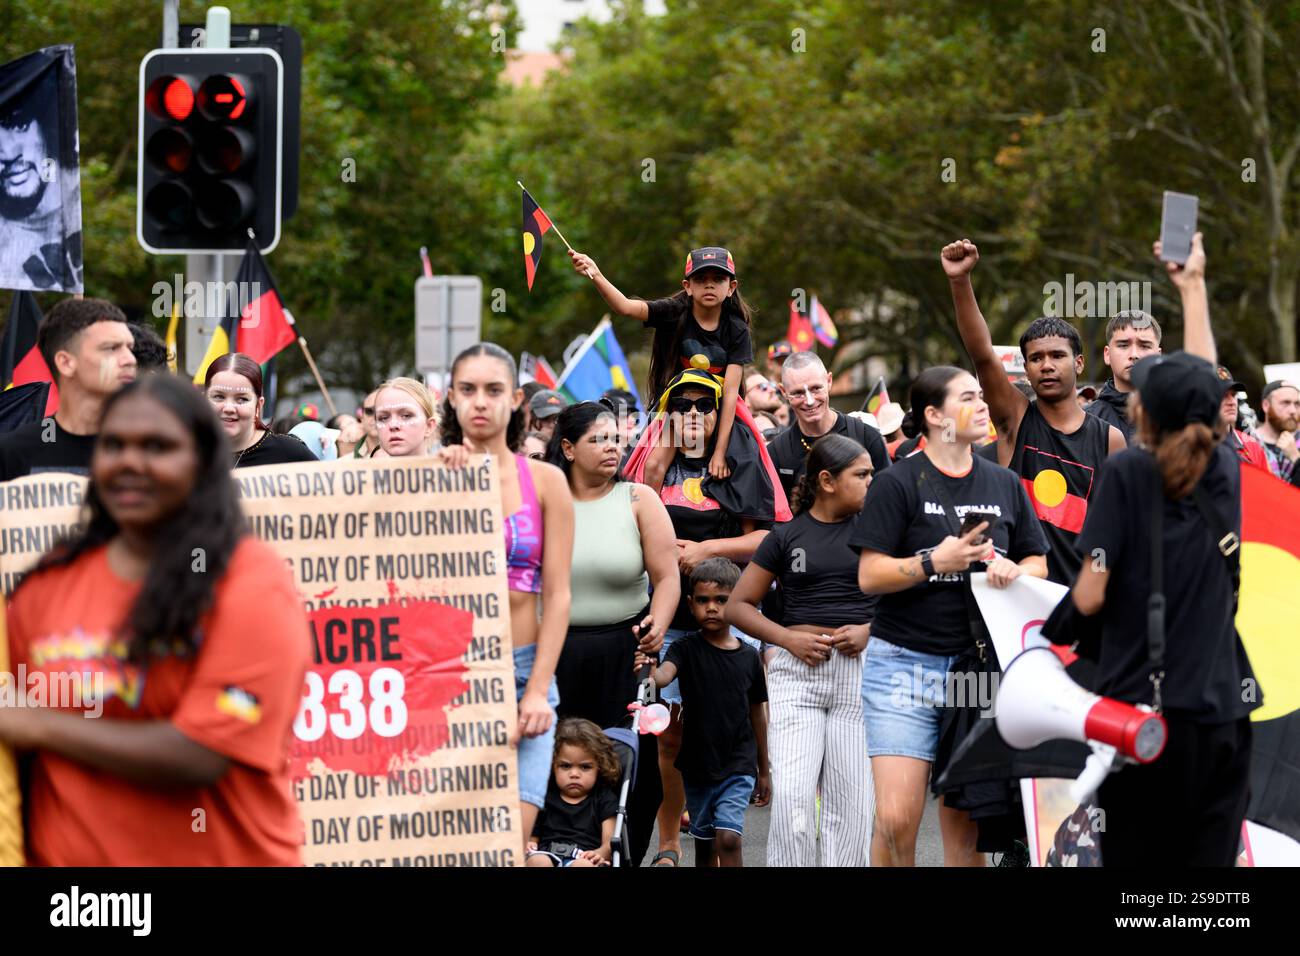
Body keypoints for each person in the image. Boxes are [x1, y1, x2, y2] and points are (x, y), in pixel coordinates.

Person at [0, 374, 309, 864]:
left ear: (202, 464)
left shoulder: (249, 581)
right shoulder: (46, 587)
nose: (131, 462)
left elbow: (203, 753)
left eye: (158, 446)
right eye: (114, 445)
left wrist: (37, 724)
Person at [1048, 232, 1256, 865]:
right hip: (1223, 708)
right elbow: (1202, 379)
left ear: (1140, 412)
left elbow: (1091, 588)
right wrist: (1191, 285)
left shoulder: (1127, 473)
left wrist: (1072, 615)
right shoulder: (1224, 467)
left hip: (1142, 713)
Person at [854, 366, 1049, 867]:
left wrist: (1013, 568)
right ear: (935, 416)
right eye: (969, 397)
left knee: (966, 831)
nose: (984, 405)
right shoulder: (897, 483)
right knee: (897, 818)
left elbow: (1037, 559)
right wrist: (931, 562)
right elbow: (870, 576)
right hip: (903, 666)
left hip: (978, 671)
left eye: (982, 396)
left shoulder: (1004, 482)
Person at [633, 369, 773, 866]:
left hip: (728, 616)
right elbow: (643, 496)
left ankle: (715, 836)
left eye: (703, 406)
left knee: (723, 726)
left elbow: (763, 540)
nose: (693, 414)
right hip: (671, 614)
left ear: (721, 414)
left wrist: (707, 549)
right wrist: (671, 439)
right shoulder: (660, 463)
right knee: (668, 735)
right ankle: (670, 842)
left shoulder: (741, 459)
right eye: (682, 406)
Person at [438, 342, 574, 851]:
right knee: (454, 845)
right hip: (449, 679)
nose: (480, 401)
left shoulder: (546, 482)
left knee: (510, 843)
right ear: (451, 398)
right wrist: (434, 479)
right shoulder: (430, 478)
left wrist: (538, 689)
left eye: (493, 390)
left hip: (524, 676)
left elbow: (559, 594)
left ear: (515, 400)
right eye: (468, 390)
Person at [728, 433, 876, 867]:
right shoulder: (785, 535)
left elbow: (908, 602)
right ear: (827, 481)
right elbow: (738, 606)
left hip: (858, 675)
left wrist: (870, 630)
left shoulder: (877, 533)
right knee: (792, 801)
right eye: (862, 474)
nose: (872, 481)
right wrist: (787, 638)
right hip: (796, 676)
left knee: (852, 808)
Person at [942, 238, 1125, 584]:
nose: (1047, 366)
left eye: (1057, 356)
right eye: (1036, 359)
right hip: (1011, 593)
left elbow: (1115, 529)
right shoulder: (1015, 419)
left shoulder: (1109, 439)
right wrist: (959, 281)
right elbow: (982, 354)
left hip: (1077, 601)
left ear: (1079, 363)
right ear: (1025, 369)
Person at [546, 401, 679, 865]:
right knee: (561, 767)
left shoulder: (640, 498)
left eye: (615, 438)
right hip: (555, 653)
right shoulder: (544, 501)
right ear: (567, 448)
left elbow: (667, 578)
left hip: (629, 652)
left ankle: (624, 858)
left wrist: (659, 623)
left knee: (633, 773)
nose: (612, 448)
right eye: (598, 439)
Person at [569, 245, 762, 495]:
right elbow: (626, 308)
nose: (710, 285)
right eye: (701, 279)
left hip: (720, 411)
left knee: (749, 465)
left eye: (718, 279)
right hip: (677, 410)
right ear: (687, 286)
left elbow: (730, 391)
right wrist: (595, 273)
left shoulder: (737, 329)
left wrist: (719, 452)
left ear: (731, 288)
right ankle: (648, 524)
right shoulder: (673, 311)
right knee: (653, 466)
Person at [636, 559, 770, 867]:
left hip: (738, 764)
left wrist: (763, 769)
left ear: (737, 603)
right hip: (696, 767)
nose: (712, 607)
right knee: (706, 844)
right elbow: (664, 677)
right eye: (703, 600)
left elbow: (757, 715)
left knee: (729, 838)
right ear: (690, 603)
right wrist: (650, 671)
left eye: (722, 600)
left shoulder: (749, 658)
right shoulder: (684, 649)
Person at [0, 298, 136, 481]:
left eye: (130, 348)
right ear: (66, 363)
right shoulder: (14, 452)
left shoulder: (152, 447)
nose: (130, 359)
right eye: (111, 348)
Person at [768, 351, 890, 501]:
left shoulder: (866, 436)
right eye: (798, 393)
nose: (810, 401)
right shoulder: (777, 452)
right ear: (783, 392)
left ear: (829, 381)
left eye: (816, 388)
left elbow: (888, 501)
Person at [525, 718, 621, 867]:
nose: (574, 774)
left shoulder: (604, 799)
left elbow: (609, 844)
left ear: (599, 767)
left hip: (585, 857)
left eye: (585, 767)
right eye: (565, 766)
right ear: (553, 765)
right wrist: (530, 844)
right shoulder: (545, 796)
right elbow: (534, 837)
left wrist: (600, 853)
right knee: (538, 861)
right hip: (547, 854)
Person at [203, 353, 318, 468]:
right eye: (218, 397)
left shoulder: (290, 452)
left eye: (242, 399)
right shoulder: (191, 452)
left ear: (258, 405)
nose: (229, 408)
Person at [1086, 311, 1163, 443]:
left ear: (1158, 355)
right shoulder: (1084, 421)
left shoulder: (1177, 418)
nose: (1134, 355)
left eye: (1144, 346)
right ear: (1107, 355)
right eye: (1123, 345)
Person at [1217, 366, 1269, 471]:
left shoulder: (1252, 445)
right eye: (1223, 395)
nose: (1232, 402)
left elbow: (1266, 486)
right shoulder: (1190, 444)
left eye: (1233, 395)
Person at [372, 376, 439, 457]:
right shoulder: (359, 468)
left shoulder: (450, 468)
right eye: (383, 418)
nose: (393, 425)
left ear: (429, 426)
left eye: (406, 416)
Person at [1256, 380, 1299, 483]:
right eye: (1285, 403)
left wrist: (1296, 457)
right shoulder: (1247, 443)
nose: (1293, 410)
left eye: (1297, 404)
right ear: (1266, 405)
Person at [354, 388, 382, 458]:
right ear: (361, 417)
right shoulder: (344, 463)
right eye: (370, 411)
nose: (376, 417)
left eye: (382, 411)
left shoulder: (410, 457)